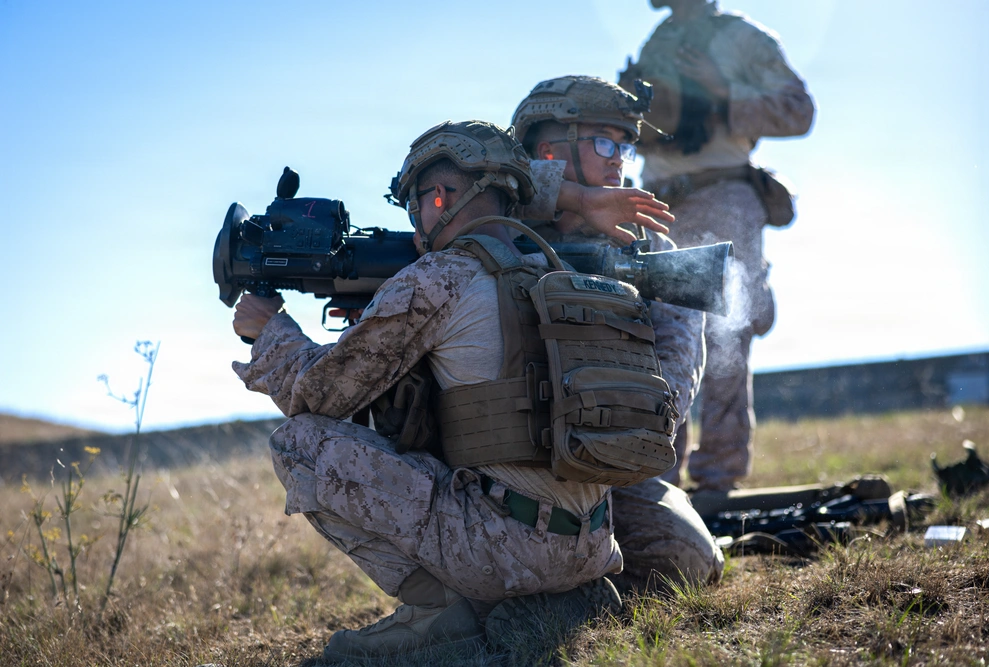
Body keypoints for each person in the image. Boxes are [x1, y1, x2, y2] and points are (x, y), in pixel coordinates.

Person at [230, 120, 667, 660]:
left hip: (507, 551)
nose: (416, 227)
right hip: (594, 548)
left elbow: (319, 395)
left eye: (416, 208)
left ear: (440, 197)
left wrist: (269, 331)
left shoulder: (440, 277)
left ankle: (444, 618)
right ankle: (564, 594)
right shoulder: (558, 276)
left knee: (300, 443)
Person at [512, 75, 724, 588]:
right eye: (603, 142)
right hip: (508, 460)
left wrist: (619, 444)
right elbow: (459, 173)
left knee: (689, 561)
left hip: (610, 460)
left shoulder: (646, 242)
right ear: (548, 151)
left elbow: (678, 362)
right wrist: (570, 198)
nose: (619, 159)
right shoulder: (497, 220)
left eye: (624, 145)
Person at [619, 0, 816, 491]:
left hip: (722, 194)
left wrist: (721, 88)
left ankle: (716, 481)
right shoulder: (657, 42)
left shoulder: (743, 38)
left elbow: (798, 110)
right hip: (658, 204)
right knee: (661, 337)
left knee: (726, 334)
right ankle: (659, 479)